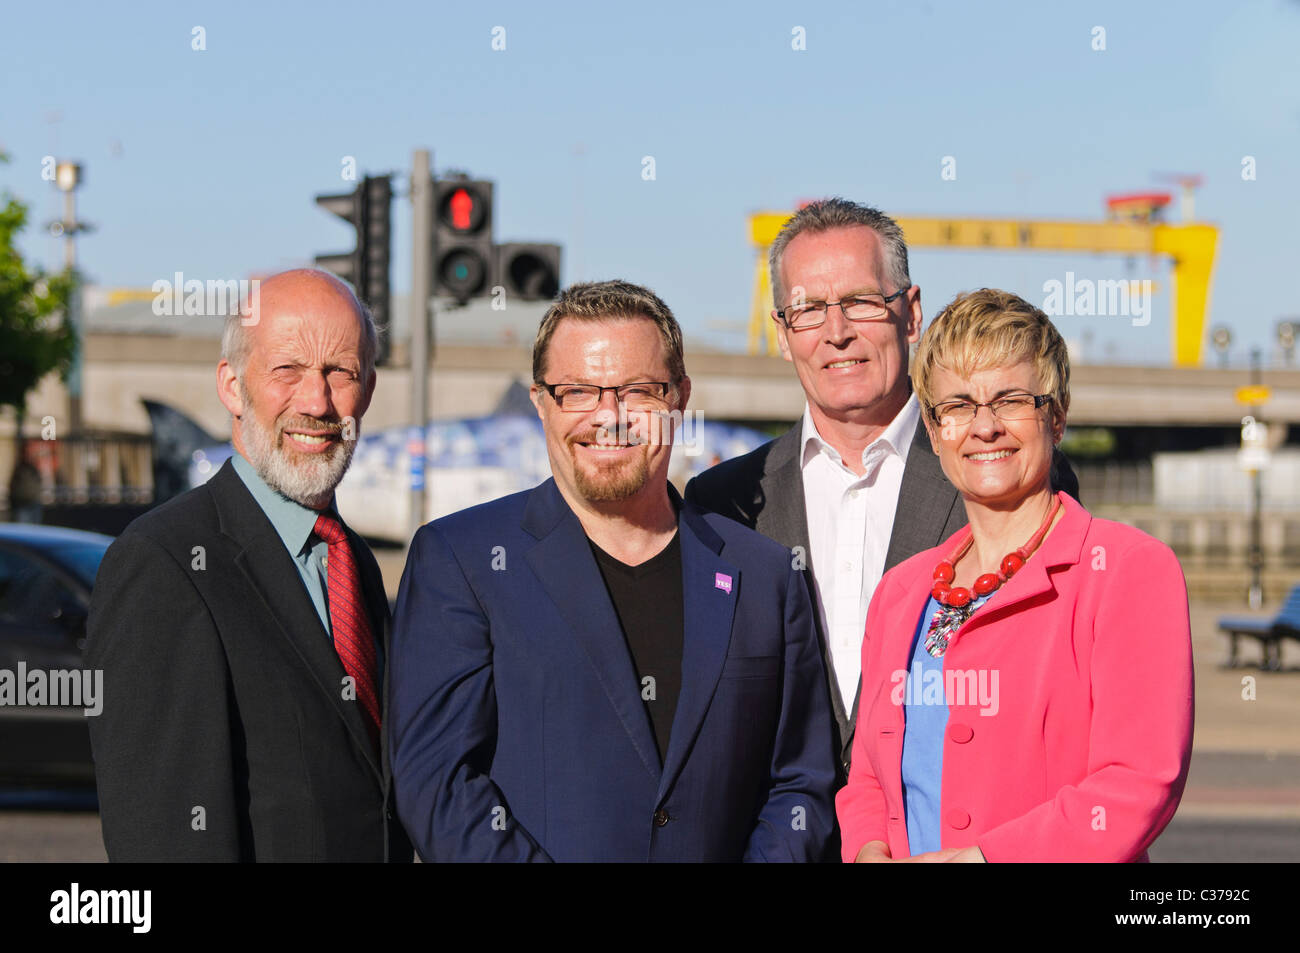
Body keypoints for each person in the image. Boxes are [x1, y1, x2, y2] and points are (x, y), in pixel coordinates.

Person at [390, 280, 838, 862]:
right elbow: (437, 785)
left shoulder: (765, 575)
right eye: (577, 391)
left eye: (638, 391)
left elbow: (802, 784)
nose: (609, 416)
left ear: (679, 396)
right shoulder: (461, 560)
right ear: (540, 400)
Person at [686, 198, 1079, 775]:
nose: (836, 332)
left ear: (911, 312)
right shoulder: (722, 505)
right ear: (782, 331)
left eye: (861, 302)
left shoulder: (1001, 471)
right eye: (808, 310)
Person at [836, 288, 1192, 862]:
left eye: (1010, 400)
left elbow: (1138, 782)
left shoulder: (1126, 571)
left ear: (1056, 414)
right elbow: (870, 780)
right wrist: (868, 849)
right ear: (933, 428)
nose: (984, 427)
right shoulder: (900, 593)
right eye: (956, 406)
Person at [86, 269, 411, 862]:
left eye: (340, 371)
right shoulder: (164, 566)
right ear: (233, 387)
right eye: (286, 369)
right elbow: (163, 843)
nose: (316, 402)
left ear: (366, 390)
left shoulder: (351, 561)